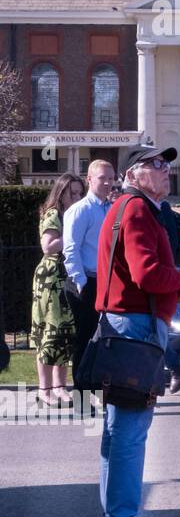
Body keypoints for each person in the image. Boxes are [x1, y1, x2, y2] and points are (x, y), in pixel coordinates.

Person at [94, 144, 180, 517]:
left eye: (166, 163)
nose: (165, 168)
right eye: (155, 163)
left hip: (125, 325)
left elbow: (140, 278)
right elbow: (148, 275)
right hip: (135, 329)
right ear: (133, 175)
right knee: (130, 430)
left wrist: (179, 287)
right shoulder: (137, 209)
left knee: (118, 429)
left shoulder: (128, 207)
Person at [31, 173, 85, 408]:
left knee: (64, 333)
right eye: (72, 193)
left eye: (80, 193)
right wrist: (72, 235)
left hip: (67, 276)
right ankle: (44, 389)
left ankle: (60, 386)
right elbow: (48, 246)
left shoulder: (74, 214)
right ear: (61, 194)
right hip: (52, 278)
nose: (77, 197)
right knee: (50, 333)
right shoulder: (54, 214)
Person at [63, 159, 115, 382]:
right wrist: (81, 282)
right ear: (90, 180)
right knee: (85, 340)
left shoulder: (111, 210)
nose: (108, 183)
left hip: (106, 282)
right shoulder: (80, 210)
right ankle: (82, 395)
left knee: (103, 341)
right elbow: (71, 248)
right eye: (102, 178)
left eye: (111, 178)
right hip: (85, 282)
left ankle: (96, 391)